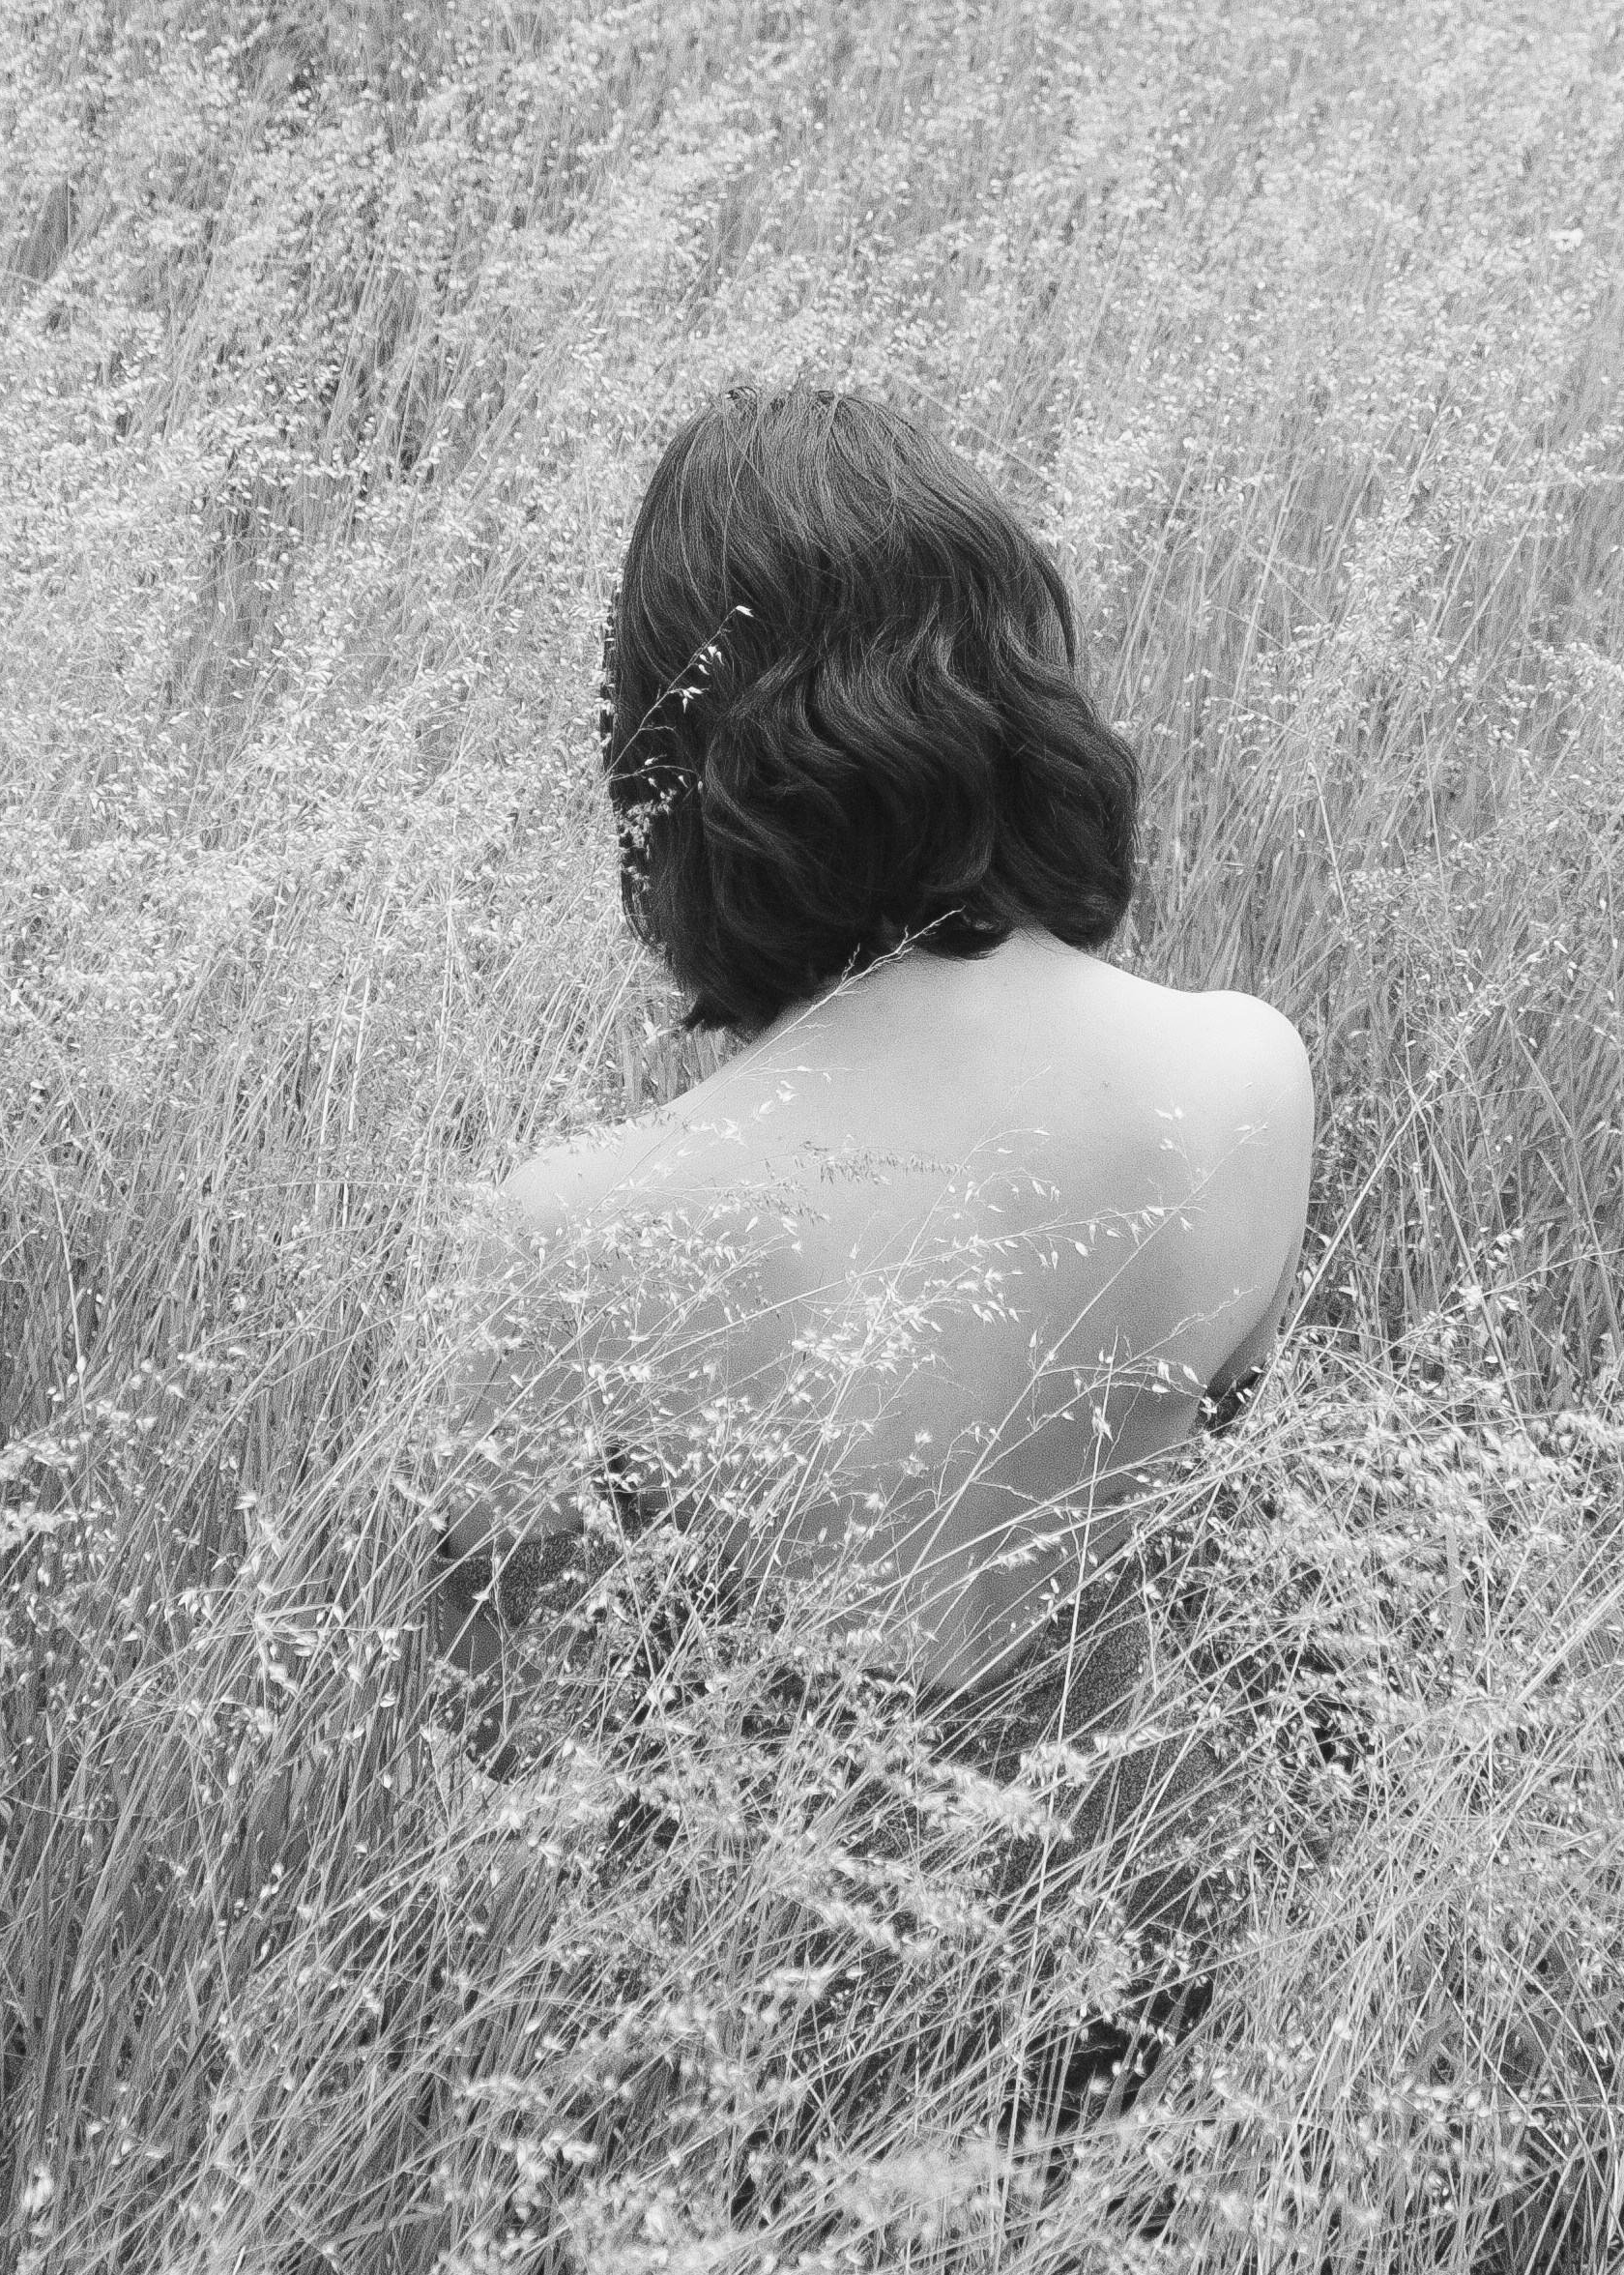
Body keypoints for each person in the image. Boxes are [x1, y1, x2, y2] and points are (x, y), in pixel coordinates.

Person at [412, 384, 1314, 2128]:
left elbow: (490, 1761)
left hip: (758, 2049)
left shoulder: (578, 1224)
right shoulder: (1243, 1074)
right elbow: (1213, 1533)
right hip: (1144, 1985)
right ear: (1017, 700)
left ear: (668, 775)